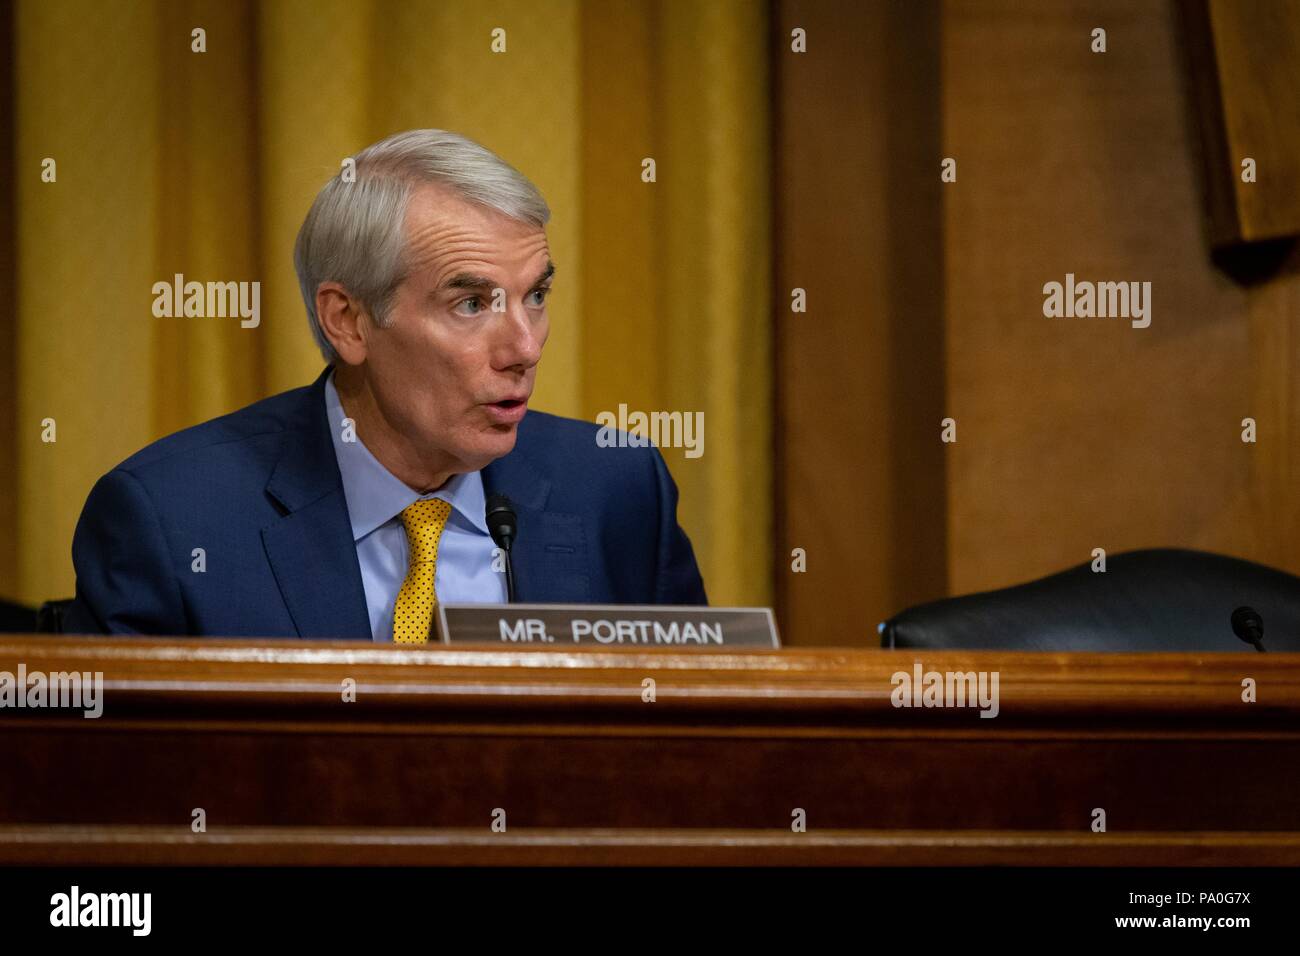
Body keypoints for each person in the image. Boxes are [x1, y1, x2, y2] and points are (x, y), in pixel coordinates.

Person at [65, 129, 707, 641]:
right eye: (471, 303)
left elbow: (694, 760)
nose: (525, 347)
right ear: (347, 321)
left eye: (534, 295)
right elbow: (113, 791)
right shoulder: (172, 521)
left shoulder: (618, 491)